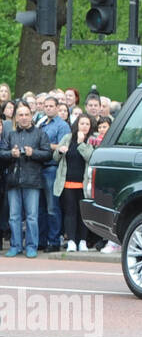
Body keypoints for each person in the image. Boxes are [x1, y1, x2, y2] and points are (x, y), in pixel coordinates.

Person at [2, 103, 51, 257]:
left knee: (31, 216)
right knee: (14, 216)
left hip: (32, 179)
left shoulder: (40, 134)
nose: (23, 118)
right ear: (16, 117)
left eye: (26, 115)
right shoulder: (10, 134)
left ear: (31, 116)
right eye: (20, 115)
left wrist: (33, 153)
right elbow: (1, 152)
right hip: (13, 180)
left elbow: (48, 154)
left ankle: (31, 246)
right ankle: (15, 246)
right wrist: (11, 153)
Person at [54, 114, 95, 252]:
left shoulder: (91, 140)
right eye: (82, 123)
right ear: (77, 124)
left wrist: (81, 143)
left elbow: (90, 157)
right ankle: (71, 240)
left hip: (84, 184)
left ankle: (82, 241)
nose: (84, 126)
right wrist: (60, 151)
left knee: (83, 213)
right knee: (70, 212)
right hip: (67, 183)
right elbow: (55, 157)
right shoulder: (67, 138)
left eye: (87, 124)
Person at [38, 94, 69, 251]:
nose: (48, 108)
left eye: (51, 106)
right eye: (46, 106)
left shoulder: (62, 125)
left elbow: (64, 147)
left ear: (57, 108)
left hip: (52, 168)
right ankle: (41, 240)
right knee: (40, 208)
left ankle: (54, 241)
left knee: (52, 207)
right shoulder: (42, 123)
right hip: (38, 168)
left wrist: (45, 146)